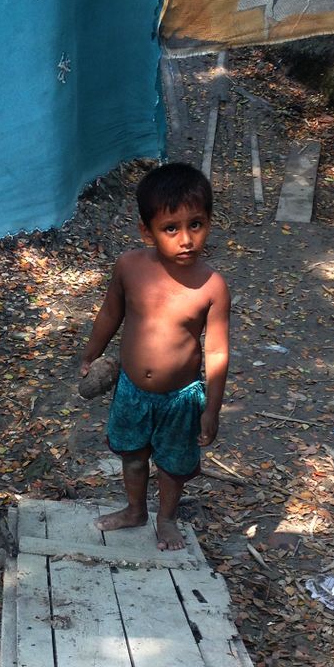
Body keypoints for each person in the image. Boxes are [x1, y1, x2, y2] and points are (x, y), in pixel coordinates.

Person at [80, 162, 230, 550]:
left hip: (180, 399)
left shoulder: (211, 287)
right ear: (146, 230)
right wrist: (91, 354)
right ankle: (134, 509)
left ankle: (165, 518)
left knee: (171, 465)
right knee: (132, 455)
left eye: (196, 224)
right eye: (171, 228)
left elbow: (215, 350)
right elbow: (110, 312)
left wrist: (211, 408)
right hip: (131, 390)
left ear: (209, 222)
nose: (186, 239)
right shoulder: (130, 266)